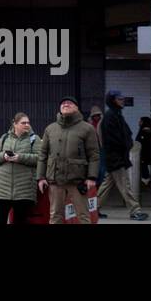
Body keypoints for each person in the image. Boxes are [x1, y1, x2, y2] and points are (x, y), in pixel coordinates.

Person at [36, 96, 99, 224]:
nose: (66, 104)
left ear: (77, 108)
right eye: (63, 103)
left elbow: (94, 154)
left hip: (77, 180)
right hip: (55, 180)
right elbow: (43, 154)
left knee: (83, 216)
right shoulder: (50, 128)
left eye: (69, 103)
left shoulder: (87, 128)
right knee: (55, 215)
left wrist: (91, 177)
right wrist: (41, 177)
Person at [96, 90, 149, 220]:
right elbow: (114, 139)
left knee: (106, 185)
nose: (122, 100)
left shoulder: (115, 115)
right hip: (116, 157)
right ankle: (135, 211)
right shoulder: (111, 116)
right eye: (120, 99)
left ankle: (93, 208)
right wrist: (126, 146)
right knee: (125, 185)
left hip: (114, 157)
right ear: (113, 100)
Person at [0, 112, 39, 224]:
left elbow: (40, 158)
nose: (27, 125)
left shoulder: (34, 139)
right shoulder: (5, 137)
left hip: (24, 191)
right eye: (23, 123)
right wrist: (4, 156)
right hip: (4, 190)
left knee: (19, 221)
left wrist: (19, 158)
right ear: (15, 124)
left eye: (28, 122)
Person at [136, 116, 151, 188]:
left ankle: (146, 181)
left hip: (144, 153)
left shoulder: (144, 131)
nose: (139, 123)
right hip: (148, 153)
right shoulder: (149, 131)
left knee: (144, 167)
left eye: (140, 121)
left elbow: (141, 142)